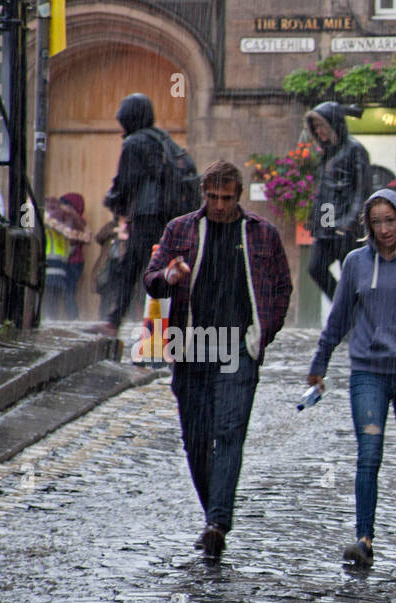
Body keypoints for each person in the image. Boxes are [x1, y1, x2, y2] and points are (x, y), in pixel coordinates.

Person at [143, 160, 293, 561]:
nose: (220, 206)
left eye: (227, 198)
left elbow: (281, 286)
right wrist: (170, 277)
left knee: (229, 433)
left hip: (236, 349)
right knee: (195, 439)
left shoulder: (262, 234)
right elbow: (151, 280)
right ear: (203, 194)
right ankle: (214, 511)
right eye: (212, 197)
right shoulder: (181, 229)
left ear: (239, 196)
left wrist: (262, 334)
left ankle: (216, 524)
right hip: (190, 344)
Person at [306, 188, 396, 567]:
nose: (385, 229)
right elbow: (338, 318)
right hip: (368, 371)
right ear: (367, 225)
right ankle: (364, 538)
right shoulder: (356, 263)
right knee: (368, 453)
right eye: (377, 222)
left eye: (390, 220)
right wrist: (319, 363)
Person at [99, 94, 170, 337]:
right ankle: (169, 324)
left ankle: (114, 320)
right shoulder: (161, 138)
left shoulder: (135, 142)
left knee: (131, 267)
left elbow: (125, 181)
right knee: (165, 266)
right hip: (169, 215)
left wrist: (113, 202)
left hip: (147, 213)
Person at [303, 102, 370, 302]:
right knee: (316, 268)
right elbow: (326, 192)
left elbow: (362, 191)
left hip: (345, 226)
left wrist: (348, 223)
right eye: (316, 127)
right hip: (328, 224)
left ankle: (353, 317)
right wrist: (318, 221)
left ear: (334, 125)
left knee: (349, 276)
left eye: (322, 126)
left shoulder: (355, 149)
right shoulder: (328, 152)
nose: (319, 131)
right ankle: (344, 306)